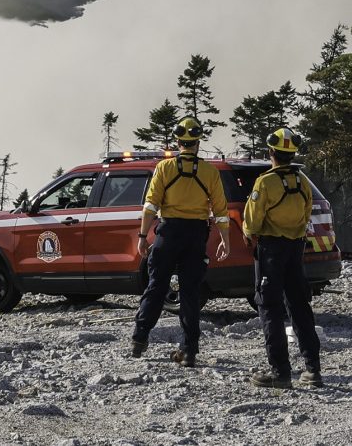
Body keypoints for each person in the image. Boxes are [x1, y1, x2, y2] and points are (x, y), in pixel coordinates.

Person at [130, 117, 230, 367]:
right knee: (190, 293)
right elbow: (220, 209)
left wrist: (143, 236)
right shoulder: (209, 171)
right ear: (197, 142)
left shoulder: (164, 168)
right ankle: (189, 351)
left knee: (156, 286)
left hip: (168, 233)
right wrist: (225, 239)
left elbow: (151, 204)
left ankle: (140, 338)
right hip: (196, 235)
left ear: (178, 141)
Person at [242, 128, 323, 389]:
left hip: (271, 251)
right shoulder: (302, 181)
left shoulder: (265, 182)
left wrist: (248, 234)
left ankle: (280, 372)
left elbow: (252, 221)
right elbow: (307, 212)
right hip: (295, 249)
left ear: (271, 153)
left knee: (269, 307)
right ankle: (313, 369)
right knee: (299, 306)